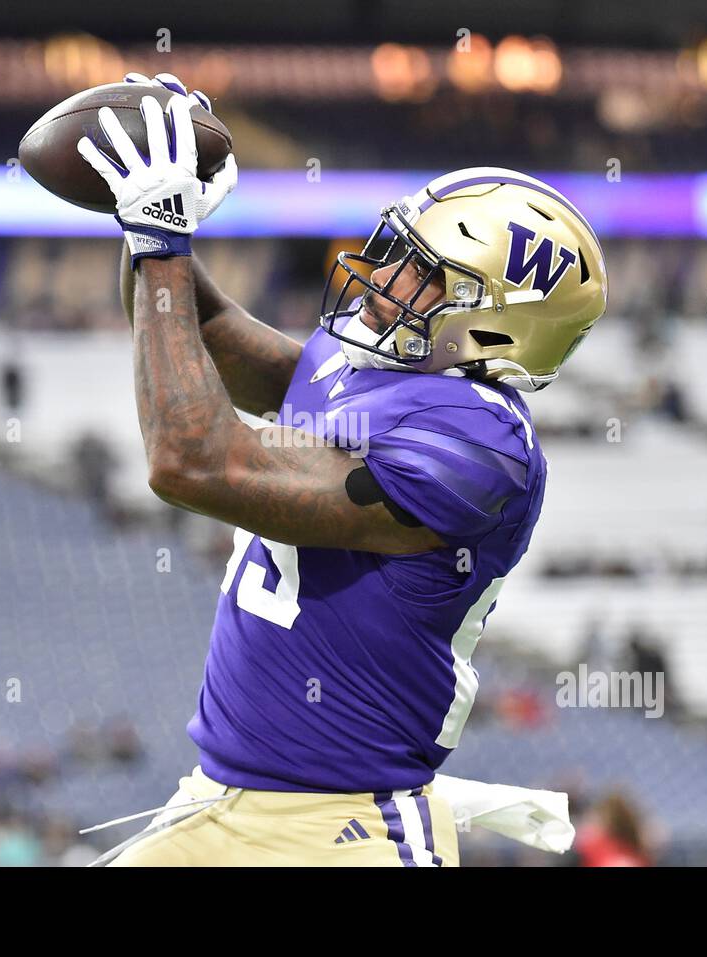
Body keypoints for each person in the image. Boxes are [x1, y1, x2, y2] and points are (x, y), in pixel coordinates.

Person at [80, 73, 606, 866]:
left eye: (426, 274)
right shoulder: (372, 362)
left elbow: (192, 460)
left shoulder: (481, 446)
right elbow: (202, 330)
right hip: (216, 798)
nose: (385, 277)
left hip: (343, 829)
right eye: (401, 250)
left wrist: (162, 242)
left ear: (495, 327)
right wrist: (154, 211)